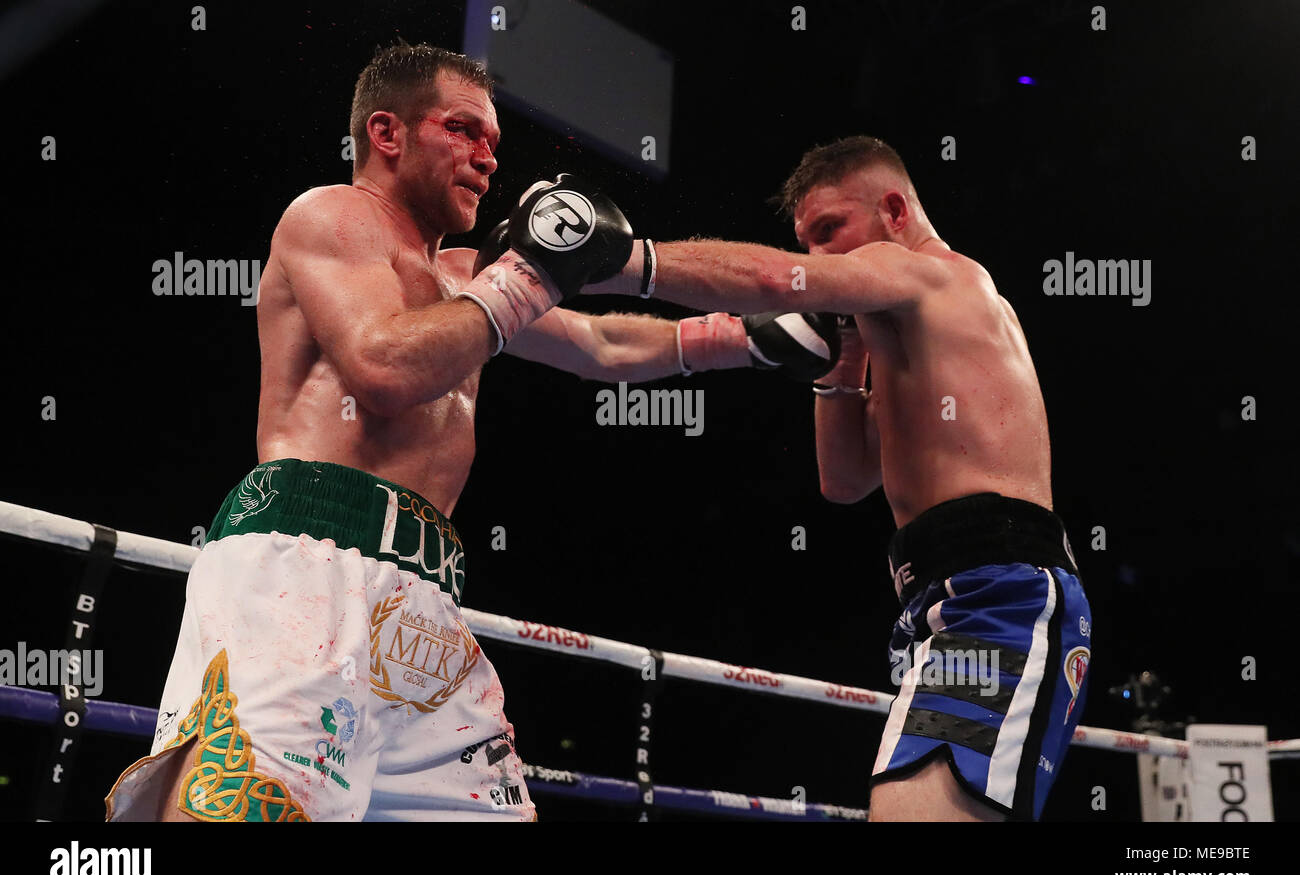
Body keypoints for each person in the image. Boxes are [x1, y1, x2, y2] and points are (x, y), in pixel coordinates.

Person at [103, 43, 838, 822]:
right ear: (386, 133)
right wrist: (527, 273)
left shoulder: (465, 277)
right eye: (463, 130)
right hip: (306, 563)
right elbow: (382, 368)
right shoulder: (333, 216)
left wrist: (750, 338)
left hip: (425, 595)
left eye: (494, 142)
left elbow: (602, 345)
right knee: (254, 812)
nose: (488, 158)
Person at [585, 136, 1091, 821]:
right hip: (941, 602)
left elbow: (774, 280)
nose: (818, 260)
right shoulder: (904, 338)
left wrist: (624, 258)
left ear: (892, 210)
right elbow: (845, 480)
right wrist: (843, 356)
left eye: (830, 232)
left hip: (1000, 595)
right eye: (806, 241)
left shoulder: (937, 276)